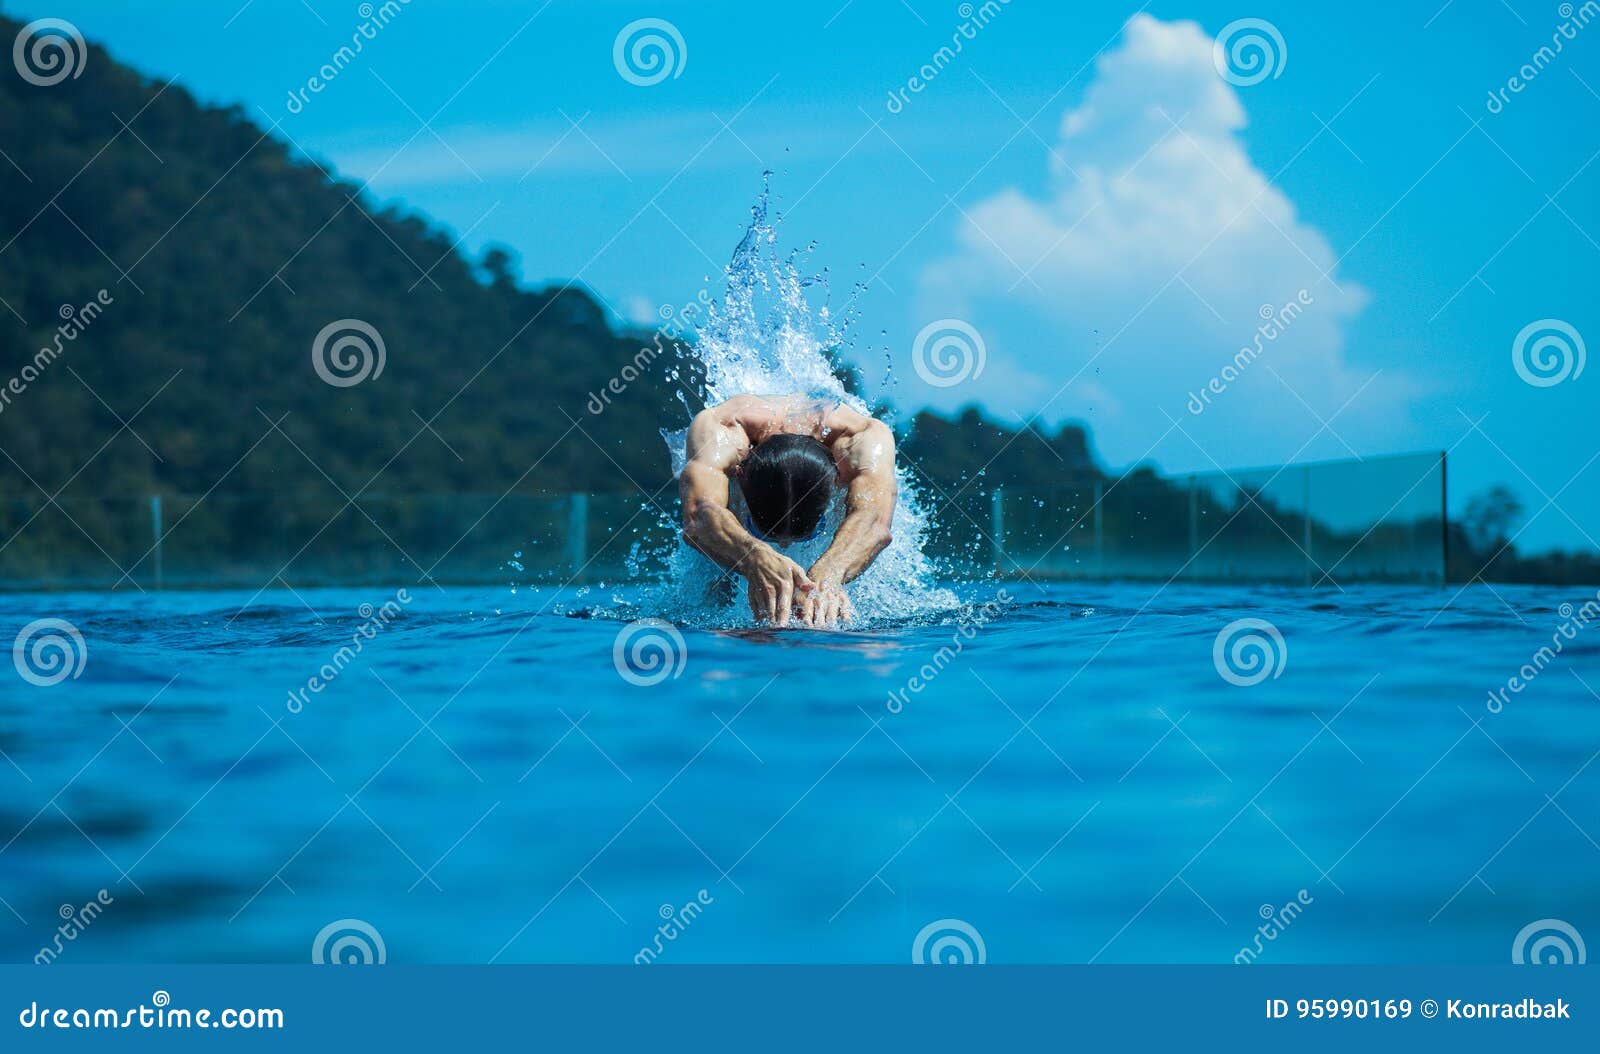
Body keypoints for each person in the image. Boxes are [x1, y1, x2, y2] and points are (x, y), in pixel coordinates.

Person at [679, 394, 895, 627]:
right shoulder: (721, 430)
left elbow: (873, 519)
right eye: (759, 532)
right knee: (716, 579)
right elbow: (699, 515)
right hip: (739, 453)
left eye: (812, 532)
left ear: (837, 481)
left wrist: (831, 572)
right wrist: (753, 555)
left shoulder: (864, 439)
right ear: (739, 475)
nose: (783, 546)